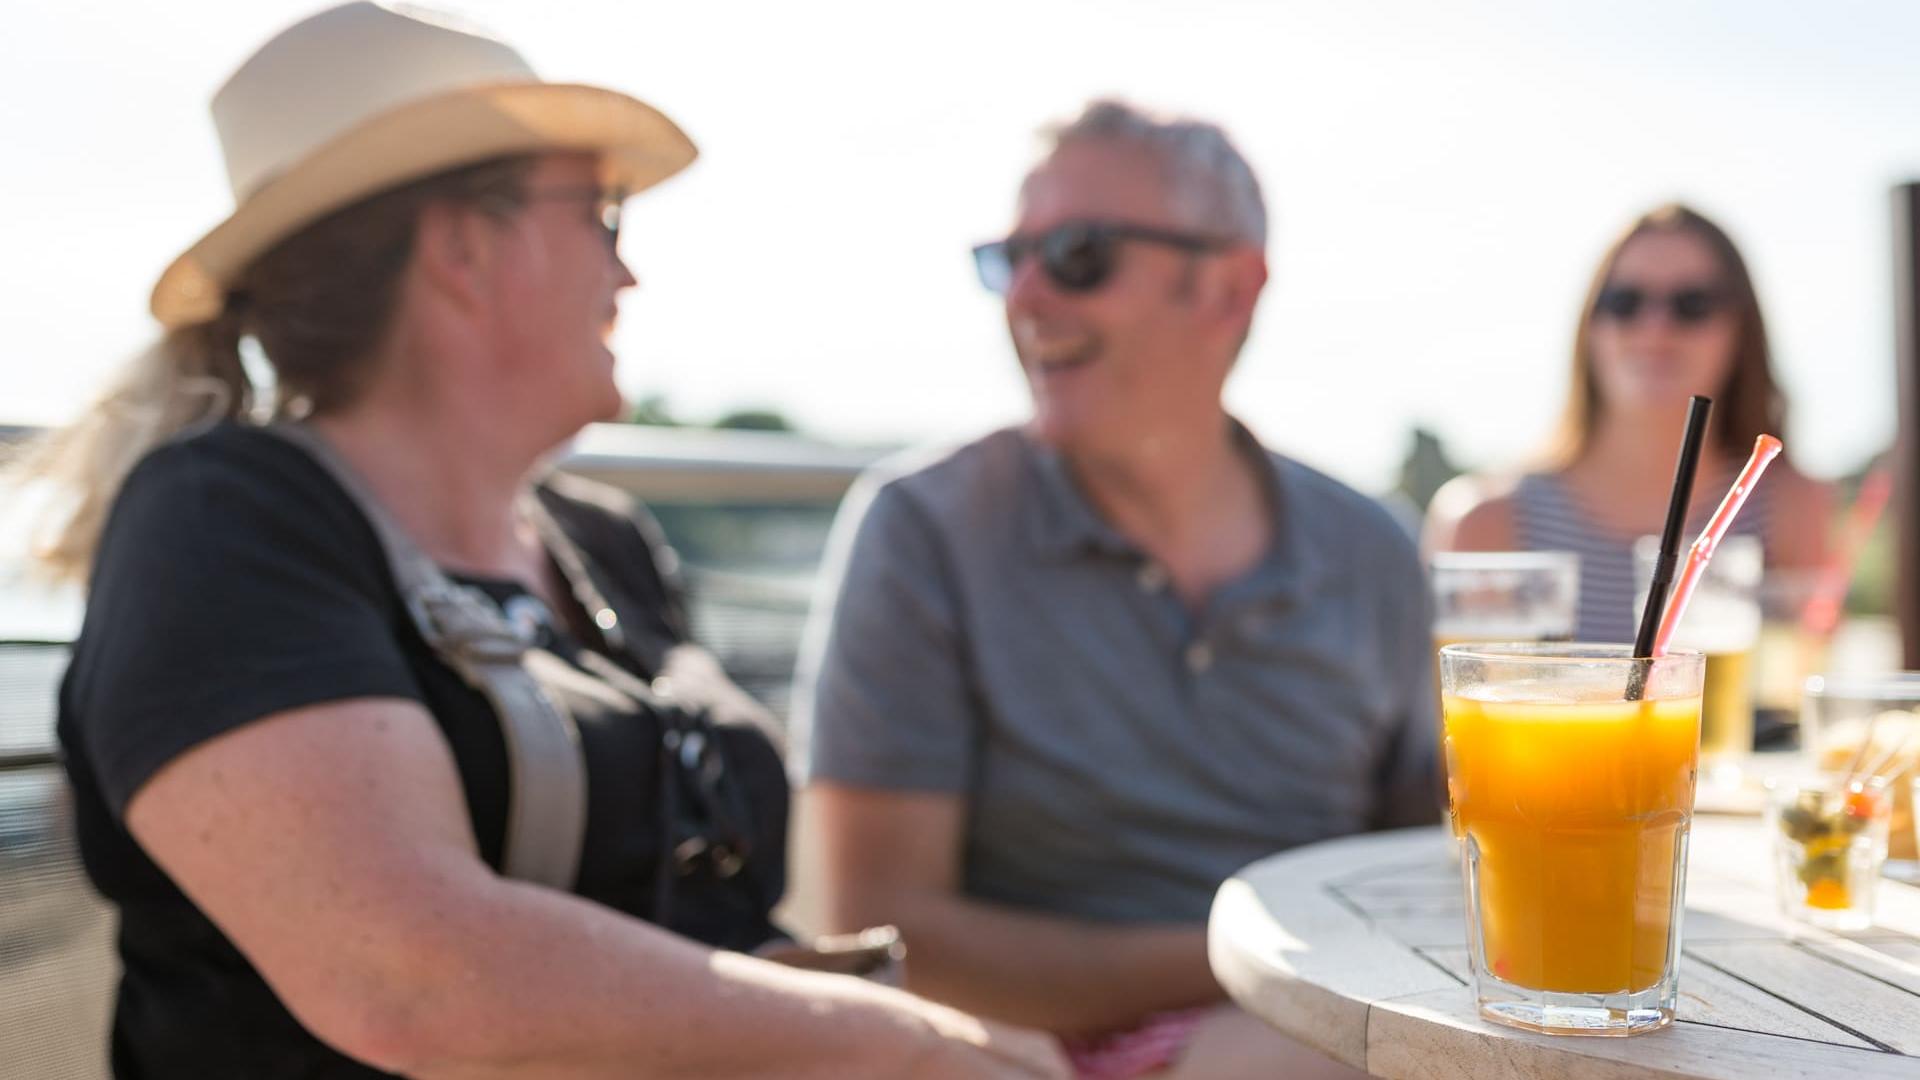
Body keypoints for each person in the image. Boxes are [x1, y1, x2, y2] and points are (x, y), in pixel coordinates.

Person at [18, 4, 1067, 1077]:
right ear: (464, 247)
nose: (629, 274)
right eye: (603, 215)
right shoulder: (223, 523)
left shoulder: (602, 544)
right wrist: (903, 1045)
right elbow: (413, 978)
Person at [789, 100, 1439, 1078]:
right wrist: (1271, 961)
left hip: (1312, 1032)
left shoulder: (1371, 549)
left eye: (1078, 253)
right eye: (1010, 259)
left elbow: (1421, 879)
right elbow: (878, 932)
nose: (1028, 297)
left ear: (1228, 287)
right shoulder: (925, 529)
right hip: (1028, 1052)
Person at [1426, 203, 1834, 643]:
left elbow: (1802, 686)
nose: (1655, 327)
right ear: (1590, 325)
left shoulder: (1787, 507)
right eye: (1625, 302)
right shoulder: (1484, 521)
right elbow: (1453, 702)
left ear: (1741, 330)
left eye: (1691, 304)